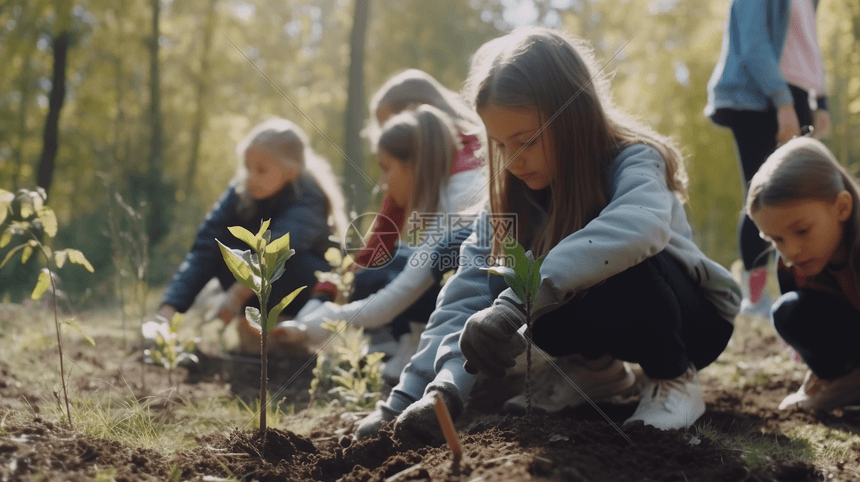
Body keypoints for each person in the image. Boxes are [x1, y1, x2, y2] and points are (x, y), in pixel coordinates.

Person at [354, 26, 742, 441]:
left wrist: (515, 303)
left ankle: (673, 379)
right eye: (501, 145)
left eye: (526, 142)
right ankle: (595, 371)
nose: (512, 161)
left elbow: (639, 227)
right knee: (500, 277)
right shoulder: (510, 195)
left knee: (610, 267)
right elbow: (465, 292)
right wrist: (427, 392)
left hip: (691, 323)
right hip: (612, 323)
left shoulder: (634, 160)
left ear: (576, 119)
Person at [279, 70, 485, 382]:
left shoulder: (460, 185)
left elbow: (409, 283)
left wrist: (321, 321)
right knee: (398, 260)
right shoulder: (426, 171)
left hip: (483, 293)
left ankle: (433, 353)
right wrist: (324, 296)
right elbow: (378, 244)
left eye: (391, 125)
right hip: (453, 276)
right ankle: (407, 343)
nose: (383, 183)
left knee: (421, 265)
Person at [156, 118, 348, 353]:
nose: (250, 177)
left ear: (291, 171)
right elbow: (205, 249)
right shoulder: (240, 192)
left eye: (261, 170)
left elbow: (274, 253)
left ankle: (289, 332)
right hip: (256, 290)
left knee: (292, 261)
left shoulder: (310, 198)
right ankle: (252, 331)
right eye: (247, 167)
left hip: (303, 291)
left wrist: (235, 297)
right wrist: (168, 309)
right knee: (223, 248)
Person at [705, 0, 831, 318]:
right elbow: (753, 42)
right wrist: (782, 101)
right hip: (759, 96)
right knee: (760, 198)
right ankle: (756, 300)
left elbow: (808, 43)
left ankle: (802, 298)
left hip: (797, 94)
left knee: (800, 200)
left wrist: (821, 100)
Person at [746, 137, 860, 411]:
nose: (791, 251)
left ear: (842, 207)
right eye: (777, 239)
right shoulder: (793, 267)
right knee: (789, 311)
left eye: (802, 230)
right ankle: (842, 380)